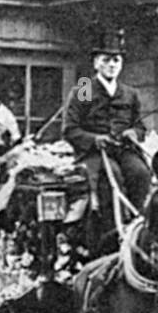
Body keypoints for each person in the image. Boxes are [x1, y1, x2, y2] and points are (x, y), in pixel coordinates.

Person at [62, 29, 150, 218]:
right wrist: (95, 139)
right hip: (92, 153)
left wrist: (134, 133)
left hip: (123, 151)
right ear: (96, 63)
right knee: (112, 176)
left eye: (116, 60)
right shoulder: (84, 87)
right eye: (106, 60)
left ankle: (137, 220)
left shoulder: (130, 93)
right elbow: (70, 129)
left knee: (141, 173)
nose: (111, 65)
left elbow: (140, 126)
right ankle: (113, 224)